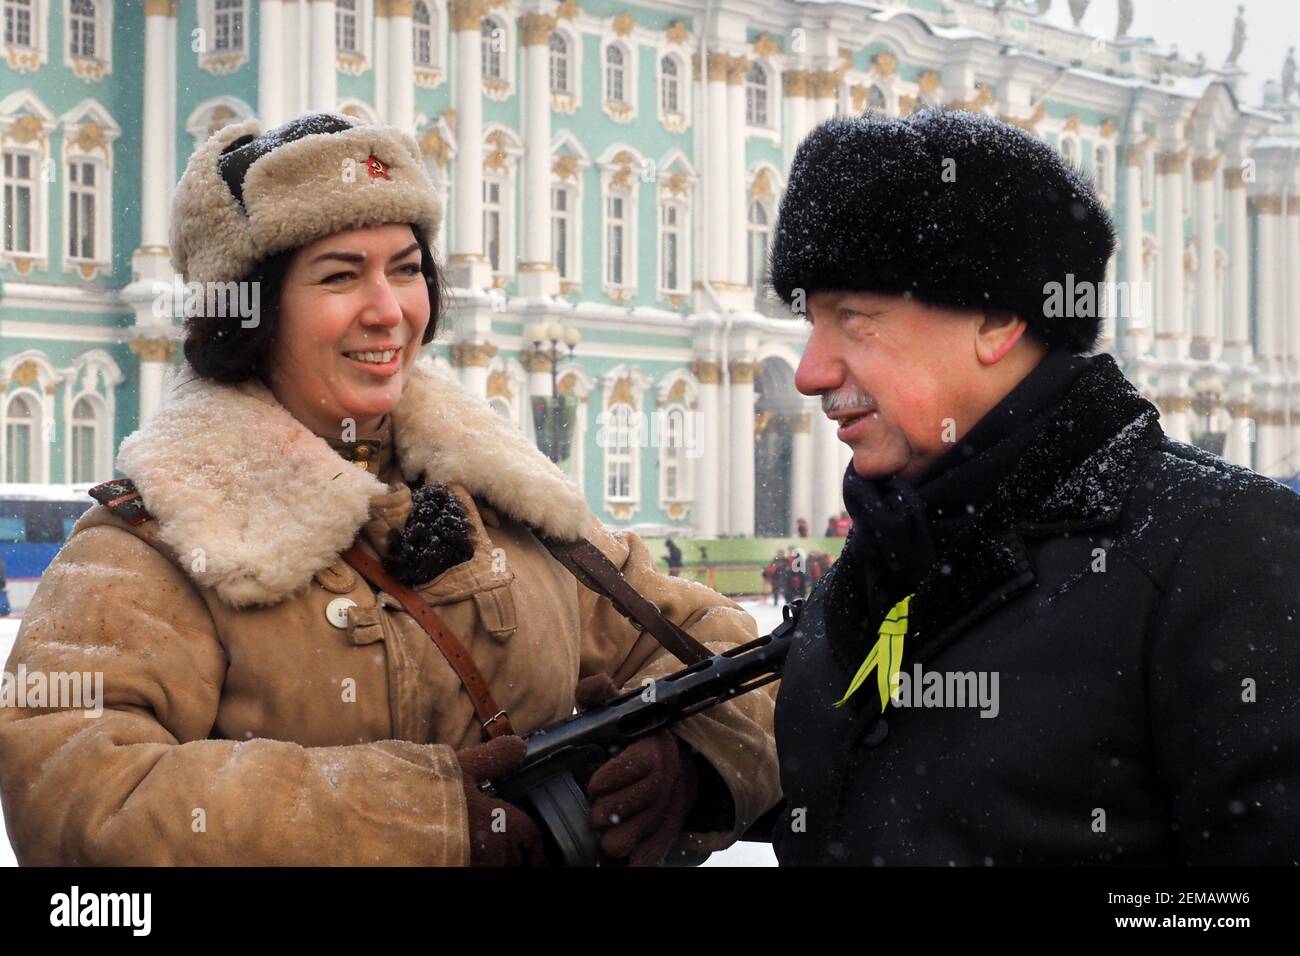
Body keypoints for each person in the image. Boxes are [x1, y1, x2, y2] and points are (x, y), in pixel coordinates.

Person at [0, 113, 780, 867]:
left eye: (406, 270)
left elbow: (733, 649)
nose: (389, 312)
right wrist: (413, 821)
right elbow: (72, 787)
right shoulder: (162, 532)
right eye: (341, 276)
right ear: (253, 312)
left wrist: (686, 762)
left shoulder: (505, 499)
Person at [766, 109, 1300, 865]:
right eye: (810, 324)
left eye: (853, 320)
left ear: (999, 320)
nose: (810, 372)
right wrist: (692, 778)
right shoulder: (869, 573)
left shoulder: (1220, 554)